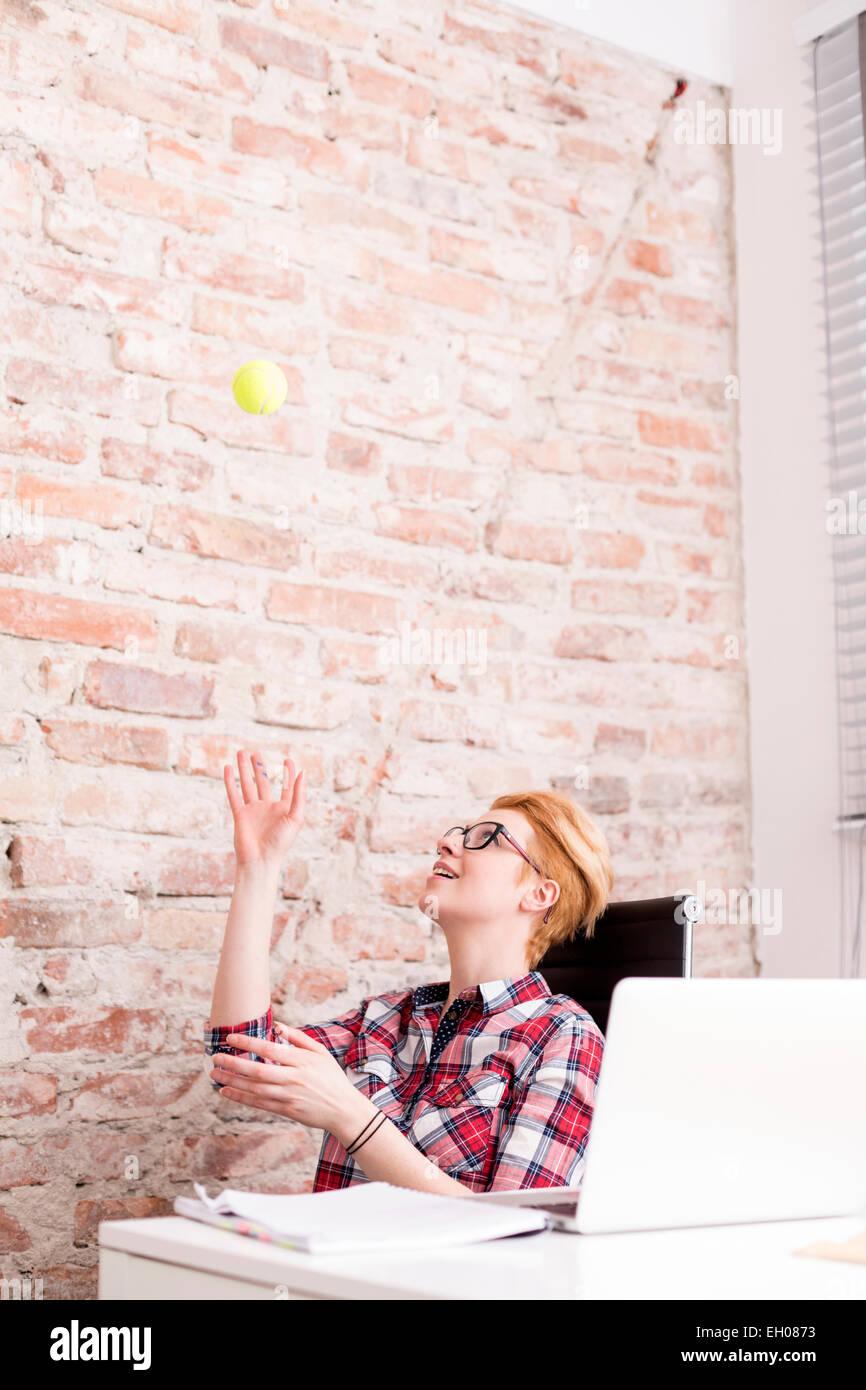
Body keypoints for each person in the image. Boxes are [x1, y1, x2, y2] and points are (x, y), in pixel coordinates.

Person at [203, 747, 614, 1196]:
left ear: (539, 894)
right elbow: (240, 1060)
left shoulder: (562, 1036)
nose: (448, 843)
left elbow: (519, 1225)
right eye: (459, 832)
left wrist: (350, 1115)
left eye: (487, 838)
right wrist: (258, 867)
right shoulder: (386, 1018)